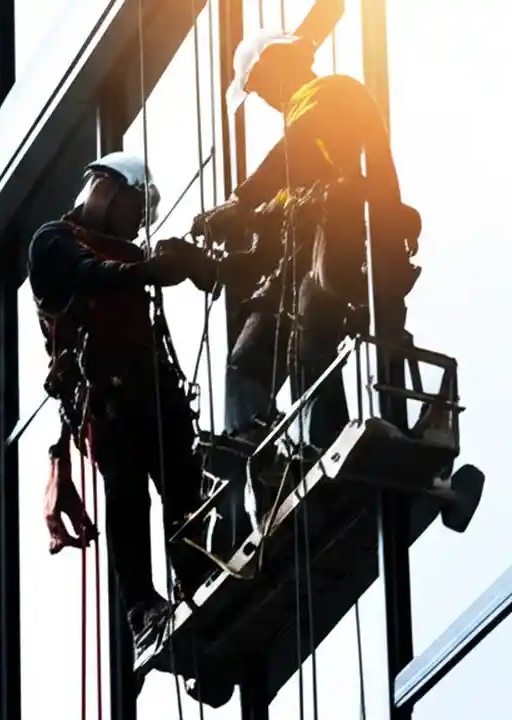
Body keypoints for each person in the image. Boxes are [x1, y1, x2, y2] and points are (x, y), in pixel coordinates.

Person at [156, 28, 421, 555]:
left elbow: (299, 144)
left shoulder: (332, 94)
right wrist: (201, 261)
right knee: (246, 362)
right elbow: (263, 251)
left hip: (348, 243)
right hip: (307, 261)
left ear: (280, 66)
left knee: (308, 343)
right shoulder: (295, 159)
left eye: (259, 85)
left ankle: (327, 447)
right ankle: (269, 455)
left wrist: (241, 199)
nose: (264, 98)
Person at [28, 151, 216, 652]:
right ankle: (141, 606)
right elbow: (90, 275)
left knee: (182, 483)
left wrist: (198, 262)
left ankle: (197, 578)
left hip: (152, 389)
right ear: (109, 189)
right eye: (134, 213)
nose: (135, 230)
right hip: (107, 400)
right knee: (128, 491)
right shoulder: (53, 243)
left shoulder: (128, 258)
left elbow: (131, 273)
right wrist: (156, 270)